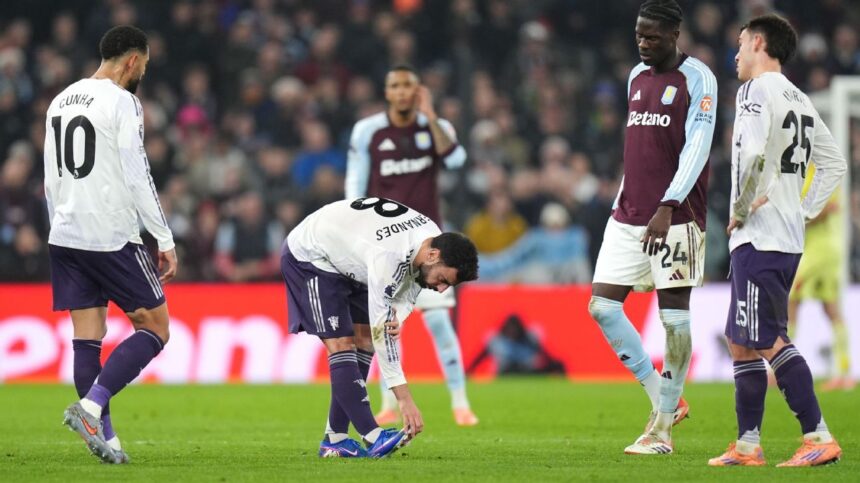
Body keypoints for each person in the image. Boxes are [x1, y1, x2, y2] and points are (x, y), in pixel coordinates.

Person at [708, 14, 846, 467]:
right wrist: (803, 210)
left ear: (758, 43)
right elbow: (834, 162)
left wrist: (741, 208)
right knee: (740, 339)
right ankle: (748, 444)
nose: (736, 53)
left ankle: (818, 435)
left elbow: (751, 155)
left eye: (741, 43)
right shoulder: (799, 98)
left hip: (759, 236)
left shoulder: (755, 90)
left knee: (767, 336)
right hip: (784, 236)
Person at [587, 0, 717, 455]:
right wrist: (622, 198)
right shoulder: (635, 77)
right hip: (628, 214)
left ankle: (661, 431)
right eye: (639, 35)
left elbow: (698, 146)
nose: (643, 43)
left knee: (674, 318)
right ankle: (666, 398)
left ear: (675, 34)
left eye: (652, 36)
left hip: (676, 216)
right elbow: (639, 150)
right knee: (602, 307)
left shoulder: (697, 79)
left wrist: (668, 203)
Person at [44, 25, 177, 464]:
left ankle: (108, 440)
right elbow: (138, 174)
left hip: (65, 233)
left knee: (88, 336)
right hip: (109, 234)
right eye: (145, 66)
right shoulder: (123, 101)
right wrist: (163, 237)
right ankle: (91, 406)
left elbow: (50, 177)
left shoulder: (61, 99)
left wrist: (59, 227)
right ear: (132, 61)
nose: (144, 74)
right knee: (156, 327)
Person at [281, 197, 478, 457]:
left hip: (352, 258)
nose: (441, 290)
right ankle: (373, 437)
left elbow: (411, 283)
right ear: (433, 255)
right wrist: (404, 399)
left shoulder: (431, 239)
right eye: (442, 279)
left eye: (447, 285)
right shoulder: (389, 256)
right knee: (342, 343)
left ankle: (335, 439)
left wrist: (400, 315)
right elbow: (381, 333)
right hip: (313, 255)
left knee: (364, 341)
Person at [345, 64, 480, 426]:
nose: (402, 91)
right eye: (396, 86)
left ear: (418, 90)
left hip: (428, 246)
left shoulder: (435, 128)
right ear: (387, 92)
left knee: (439, 324)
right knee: (383, 322)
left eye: (408, 85)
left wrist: (431, 116)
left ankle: (460, 403)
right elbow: (355, 182)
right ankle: (387, 405)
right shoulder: (368, 130)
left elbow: (457, 160)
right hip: (384, 244)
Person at [788, 166, 853, 391]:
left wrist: (797, 220)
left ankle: (780, 369)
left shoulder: (822, 170)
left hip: (821, 251)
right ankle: (844, 373)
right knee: (830, 308)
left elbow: (827, 208)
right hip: (818, 249)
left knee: (791, 299)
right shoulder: (803, 169)